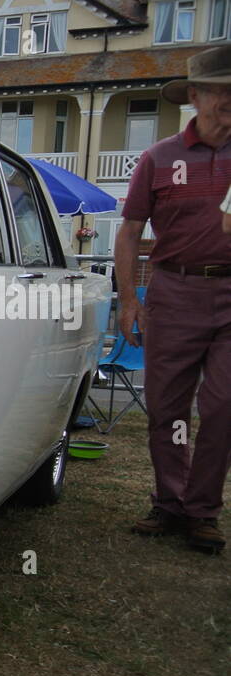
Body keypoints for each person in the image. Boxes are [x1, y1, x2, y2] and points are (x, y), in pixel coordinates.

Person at [116, 46, 231, 554]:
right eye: (219, 90)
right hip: (173, 290)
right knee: (168, 409)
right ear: (195, 96)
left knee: (224, 406)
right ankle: (170, 502)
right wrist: (127, 300)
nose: (229, 101)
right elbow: (130, 230)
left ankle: (203, 511)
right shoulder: (159, 157)